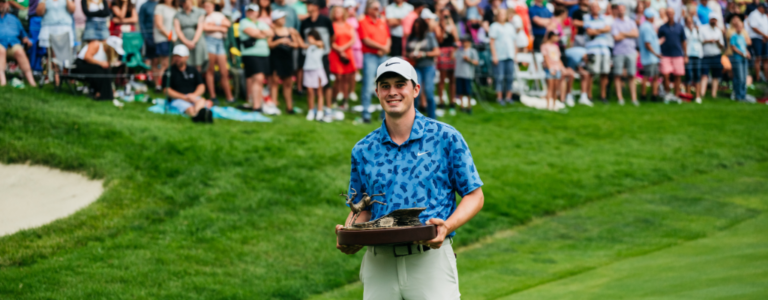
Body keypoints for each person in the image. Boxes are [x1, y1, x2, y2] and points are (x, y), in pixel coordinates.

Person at [335, 56, 484, 300]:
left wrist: (447, 226)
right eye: (385, 86)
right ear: (377, 92)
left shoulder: (445, 137)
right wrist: (349, 233)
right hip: (379, 263)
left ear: (415, 89)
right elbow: (362, 207)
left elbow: (475, 195)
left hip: (430, 259)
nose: (392, 91)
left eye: (400, 84)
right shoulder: (363, 149)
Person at [299, 0, 334, 113]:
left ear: (316, 6)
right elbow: (302, 39)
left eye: (309, 4)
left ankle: (328, 107)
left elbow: (332, 37)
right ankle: (313, 109)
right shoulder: (305, 22)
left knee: (326, 83)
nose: (307, 6)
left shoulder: (326, 20)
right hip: (308, 57)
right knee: (310, 86)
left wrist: (324, 48)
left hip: (322, 56)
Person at [164, 44, 214, 123]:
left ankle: (199, 115)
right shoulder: (169, 71)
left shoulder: (193, 70)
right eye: (175, 56)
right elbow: (166, 90)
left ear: (186, 57)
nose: (177, 59)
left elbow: (201, 86)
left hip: (193, 97)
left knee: (201, 101)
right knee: (190, 109)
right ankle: (198, 116)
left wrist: (194, 95)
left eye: (180, 56)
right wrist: (184, 97)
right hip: (178, 99)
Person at [358, 0, 390, 123]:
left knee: (386, 84)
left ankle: (385, 114)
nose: (378, 11)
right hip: (370, 56)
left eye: (379, 8)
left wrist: (385, 48)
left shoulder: (382, 21)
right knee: (367, 85)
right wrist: (382, 48)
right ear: (369, 9)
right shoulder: (364, 22)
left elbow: (387, 38)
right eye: (376, 8)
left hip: (383, 56)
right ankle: (366, 114)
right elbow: (366, 40)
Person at [240, 3, 273, 112]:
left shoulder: (261, 23)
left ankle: (257, 104)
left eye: (253, 11)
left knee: (259, 80)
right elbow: (255, 34)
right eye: (249, 11)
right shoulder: (244, 22)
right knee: (257, 79)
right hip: (251, 55)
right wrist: (263, 33)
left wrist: (260, 33)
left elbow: (271, 32)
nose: (251, 13)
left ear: (257, 12)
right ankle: (256, 106)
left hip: (264, 54)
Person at [405, 18, 439, 118]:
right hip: (415, 67)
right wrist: (410, 55)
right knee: (415, 92)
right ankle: (412, 117)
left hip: (428, 66)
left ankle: (432, 117)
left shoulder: (429, 36)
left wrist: (423, 54)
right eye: (415, 27)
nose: (416, 29)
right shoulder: (411, 37)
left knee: (429, 91)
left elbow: (437, 52)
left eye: (418, 27)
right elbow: (406, 51)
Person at [37, 0, 75, 87]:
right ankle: (56, 78)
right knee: (53, 56)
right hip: (48, 28)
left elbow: (72, 10)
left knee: (66, 56)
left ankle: (66, 78)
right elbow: (39, 13)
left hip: (65, 28)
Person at [203, 0, 235, 103]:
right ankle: (213, 96)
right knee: (210, 70)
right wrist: (220, 27)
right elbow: (205, 28)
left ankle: (229, 97)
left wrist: (214, 25)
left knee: (224, 71)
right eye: (205, 6)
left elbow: (227, 25)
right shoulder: (203, 16)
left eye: (209, 6)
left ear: (213, 6)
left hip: (220, 42)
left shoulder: (218, 14)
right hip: (209, 42)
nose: (207, 8)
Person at [74, 36, 123, 100]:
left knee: (106, 71)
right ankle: (99, 92)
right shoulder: (96, 44)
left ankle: (107, 94)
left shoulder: (107, 55)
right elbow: (87, 57)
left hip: (94, 68)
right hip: (80, 66)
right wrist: (100, 63)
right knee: (98, 70)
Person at [0, 0, 36, 87]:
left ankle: (32, 83)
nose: (1, 4)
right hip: (1, 46)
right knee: (1, 51)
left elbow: (24, 36)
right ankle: (3, 81)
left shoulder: (14, 19)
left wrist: (27, 40)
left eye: (3, 2)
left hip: (13, 45)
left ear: (7, 4)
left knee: (20, 51)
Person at [583, 1, 612, 104]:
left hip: (604, 49)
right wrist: (601, 30)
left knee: (604, 73)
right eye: (593, 6)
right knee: (591, 73)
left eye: (596, 6)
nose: (595, 8)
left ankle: (602, 95)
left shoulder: (605, 18)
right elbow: (589, 31)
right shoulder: (586, 18)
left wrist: (596, 30)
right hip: (592, 49)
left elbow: (608, 28)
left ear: (599, 8)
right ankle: (589, 95)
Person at [329, 5, 356, 111]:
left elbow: (352, 39)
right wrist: (340, 50)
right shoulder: (332, 26)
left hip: (347, 53)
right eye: (335, 11)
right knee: (338, 78)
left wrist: (343, 49)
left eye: (339, 11)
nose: (337, 13)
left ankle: (345, 101)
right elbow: (330, 41)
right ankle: (334, 99)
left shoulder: (349, 26)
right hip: (336, 53)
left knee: (347, 78)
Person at [611, 4, 638, 106]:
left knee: (631, 75)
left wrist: (623, 33)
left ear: (625, 10)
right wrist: (628, 33)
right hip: (619, 52)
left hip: (631, 51)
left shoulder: (631, 21)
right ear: (616, 10)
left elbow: (635, 34)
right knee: (618, 75)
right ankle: (620, 98)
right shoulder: (614, 23)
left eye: (622, 9)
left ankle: (634, 98)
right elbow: (616, 37)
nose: (621, 11)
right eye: (619, 9)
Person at [658, 7, 686, 104]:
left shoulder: (679, 27)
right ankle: (667, 94)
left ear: (674, 14)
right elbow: (659, 41)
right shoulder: (662, 28)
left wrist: (685, 55)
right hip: (665, 55)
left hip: (678, 54)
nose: (670, 15)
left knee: (678, 76)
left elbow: (683, 41)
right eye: (668, 13)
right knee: (665, 75)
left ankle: (676, 95)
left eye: (671, 13)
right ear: (666, 14)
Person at [489, 8, 515, 105]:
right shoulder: (494, 26)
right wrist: (494, 56)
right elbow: (492, 42)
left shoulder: (510, 27)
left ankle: (509, 97)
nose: (502, 16)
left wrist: (515, 55)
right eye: (500, 14)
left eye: (504, 14)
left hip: (510, 55)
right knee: (499, 77)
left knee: (510, 77)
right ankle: (499, 98)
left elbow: (514, 42)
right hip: (499, 56)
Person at [303, 30, 330, 122]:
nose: (308, 39)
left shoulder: (320, 44)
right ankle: (311, 111)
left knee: (319, 92)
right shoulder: (309, 47)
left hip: (317, 70)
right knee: (310, 92)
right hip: (307, 69)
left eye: (310, 37)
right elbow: (301, 45)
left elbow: (319, 43)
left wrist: (312, 41)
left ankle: (320, 111)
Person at [436, 7, 459, 112]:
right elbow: (440, 39)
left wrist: (451, 27)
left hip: (451, 53)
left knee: (452, 80)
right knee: (442, 79)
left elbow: (456, 39)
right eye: (444, 15)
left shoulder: (452, 26)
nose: (446, 17)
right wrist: (444, 28)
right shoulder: (438, 26)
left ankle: (452, 101)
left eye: (447, 15)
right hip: (442, 52)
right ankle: (441, 101)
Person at [174, 0, 207, 72]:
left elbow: (200, 27)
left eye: (184, 1)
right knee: (183, 63)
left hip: (197, 41)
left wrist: (194, 41)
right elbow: (178, 30)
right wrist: (186, 42)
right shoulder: (178, 14)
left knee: (198, 63)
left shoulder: (200, 11)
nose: (182, 3)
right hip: (182, 41)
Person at [699, 12, 724, 99]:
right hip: (706, 55)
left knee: (715, 76)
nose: (713, 21)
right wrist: (709, 40)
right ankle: (702, 93)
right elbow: (701, 40)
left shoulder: (718, 31)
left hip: (716, 55)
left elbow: (722, 46)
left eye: (715, 19)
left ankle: (714, 94)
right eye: (712, 19)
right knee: (704, 74)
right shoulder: (703, 28)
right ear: (709, 19)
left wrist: (717, 42)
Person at [153, 0, 177, 91]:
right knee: (164, 64)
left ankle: (169, 85)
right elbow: (159, 25)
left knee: (172, 63)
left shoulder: (176, 8)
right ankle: (161, 86)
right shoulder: (160, 7)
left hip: (174, 38)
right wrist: (170, 36)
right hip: (163, 39)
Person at [541, 31, 567, 111]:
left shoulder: (556, 47)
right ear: (551, 36)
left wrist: (562, 68)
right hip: (550, 69)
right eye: (556, 36)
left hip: (557, 69)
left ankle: (554, 105)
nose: (557, 38)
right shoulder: (544, 46)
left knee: (556, 88)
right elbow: (546, 58)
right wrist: (550, 68)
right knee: (550, 88)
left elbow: (558, 59)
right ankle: (548, 105)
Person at [454, 36, 477, 114]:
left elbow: (476, 62)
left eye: (465, 41)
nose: (464, 43)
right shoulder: (459, 51)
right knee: (460, 91)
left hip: (468, 74)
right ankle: (462, 106)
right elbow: (452, 57)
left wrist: (469, 60)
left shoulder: (472, 51)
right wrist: (455, 48)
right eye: (463, 41)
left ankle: (469, 106)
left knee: (468, 91)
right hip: (459, 74)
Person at [745, 3, 768, 82]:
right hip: (756, 38)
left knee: (766, 58)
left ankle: (766, 77)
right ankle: (758, 78)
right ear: (760, 8)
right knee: (758, 58)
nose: (765, 10)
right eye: (764, 8)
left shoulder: (764, 16)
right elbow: (753, 27)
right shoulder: (754, 14)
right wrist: (764, 35)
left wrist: (766, 36)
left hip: (764, 38)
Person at [683, 15, 703, 104]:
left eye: (691, 21)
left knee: (697, 75)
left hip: (697, 55)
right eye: (688, 21)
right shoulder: (684, 30)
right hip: (688, 54)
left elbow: (702, 40)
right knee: (688, 75)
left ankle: (697, 96)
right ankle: (688, 96)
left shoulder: (697, 30)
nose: (690, 23)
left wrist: (698, 30)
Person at [730, 17, 750, 102]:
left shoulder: (742, 36)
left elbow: (744, 47)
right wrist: (742, 53)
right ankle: (738, 96)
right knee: (739, 78)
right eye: (738, 26)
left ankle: (743, 95)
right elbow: (733, 47)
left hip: (744, 59)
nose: (740, 28)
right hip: (737, 59)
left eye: (741, 26)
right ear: (735, 27)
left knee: (744, 78)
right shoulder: (733, 36)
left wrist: (747, 53)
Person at [138, 0, 158, 83]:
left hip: (158, 36)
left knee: (156, 59)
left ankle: (156, 79)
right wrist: (145, 35)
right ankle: (148, 78)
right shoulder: (144, 6)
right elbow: (141, 22)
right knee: (148, 58)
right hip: (148, 36)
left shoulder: (159, 5)